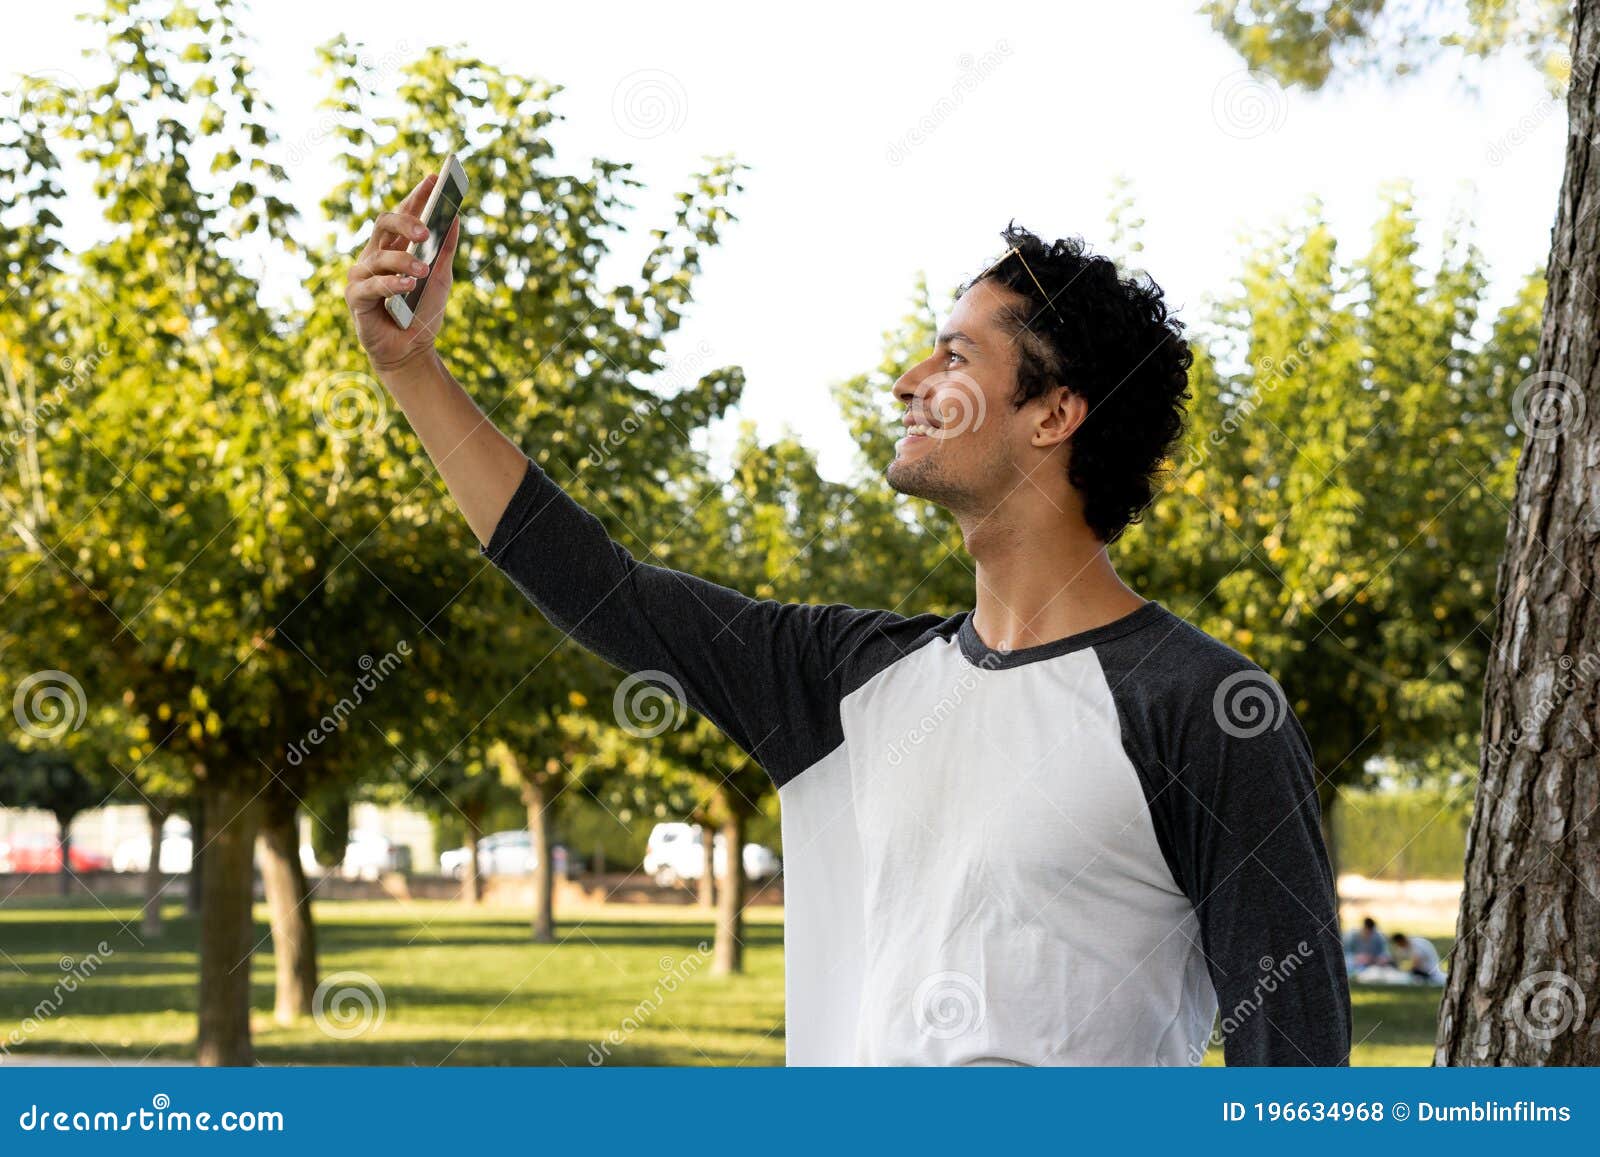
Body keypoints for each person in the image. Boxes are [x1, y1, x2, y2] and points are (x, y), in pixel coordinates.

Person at [344, 178, 1352, 1066]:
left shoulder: (1204, 706)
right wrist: (410, 369)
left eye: (954, 356)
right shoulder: (844, 684)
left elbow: (1294, 1064)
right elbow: (595, 582)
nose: (908, 380)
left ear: (1052, 414)